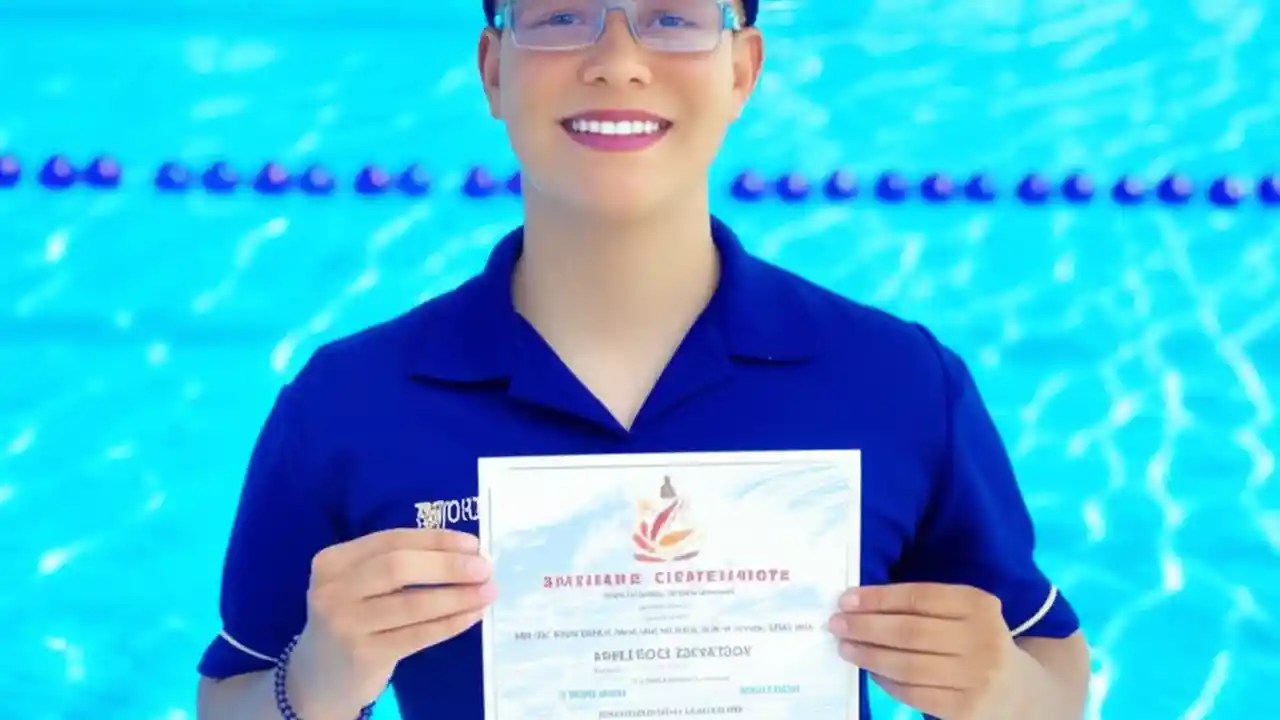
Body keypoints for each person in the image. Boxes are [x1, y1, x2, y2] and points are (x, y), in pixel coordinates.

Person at [195, 0, 1091, 718]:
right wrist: (315, 683)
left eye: (672, 17)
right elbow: (231, 693)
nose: (618, 60)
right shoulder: (351, 403)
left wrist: (1004, 693)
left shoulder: (896, 381)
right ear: (493, 69)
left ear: (742, 69)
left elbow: (1052, 664)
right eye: (560, 16)